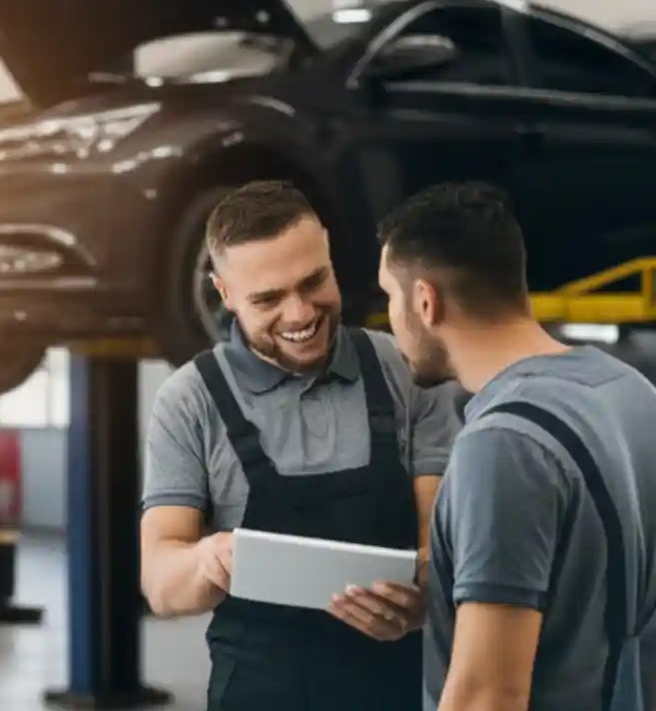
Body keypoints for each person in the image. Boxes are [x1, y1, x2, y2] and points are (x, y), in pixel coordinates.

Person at [139, 180, 463, 711]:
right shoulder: (191, 401)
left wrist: (422, 598)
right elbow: (160, 582)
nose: (300, 315)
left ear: (329, 252)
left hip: (400, 690)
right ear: (223, 293)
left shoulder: (402, 371)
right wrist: (207, 560)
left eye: (314, 281)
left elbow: (443, 547)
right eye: (267, 299)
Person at [338, 180, 656, 710]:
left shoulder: (502, 445)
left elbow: (487, 697)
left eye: (391, 296)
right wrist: (450, 591)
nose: (390, 317)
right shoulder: (629, 393)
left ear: (425, 301)